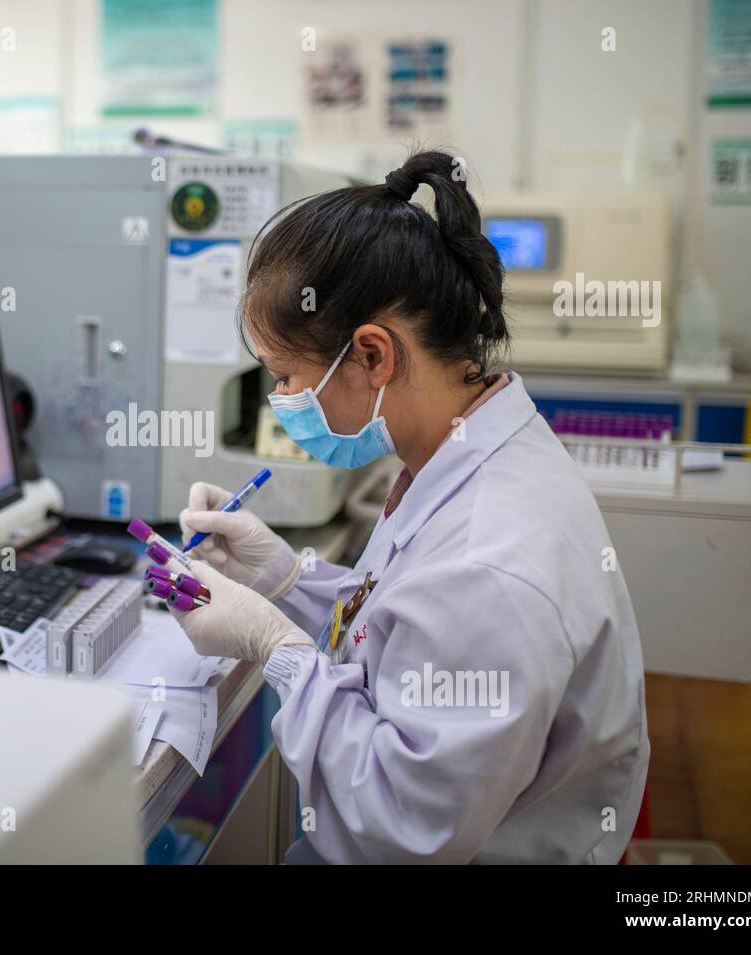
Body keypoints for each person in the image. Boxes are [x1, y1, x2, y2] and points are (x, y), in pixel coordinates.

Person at [168, 151, 649, 864]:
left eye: (287, 377)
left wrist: (279, 648)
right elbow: (403, 626)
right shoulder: (469, 445)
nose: (282, 402)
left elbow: (403, 822)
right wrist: (286, 581)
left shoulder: (490, 562)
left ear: (372, 355)